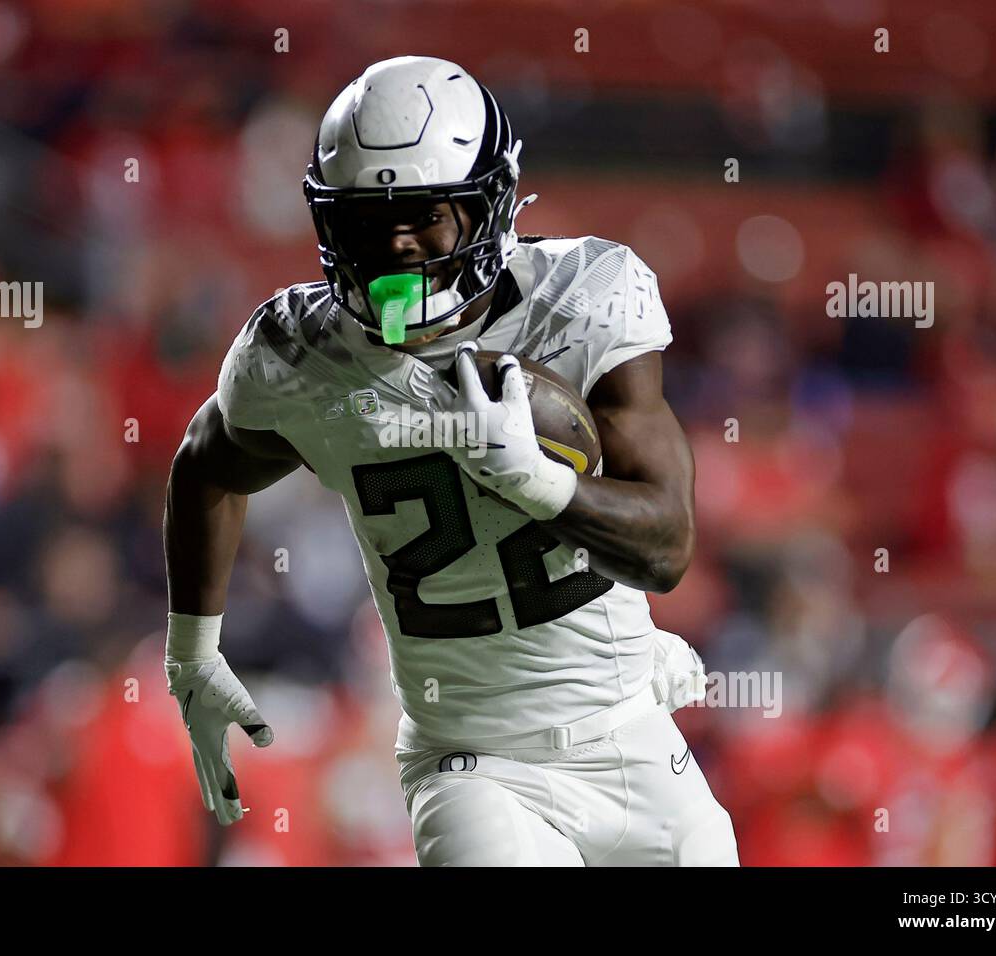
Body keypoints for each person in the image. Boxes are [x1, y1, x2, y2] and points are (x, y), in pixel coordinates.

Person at [163, 55, 738, 866]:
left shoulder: (577, 300)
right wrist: (192, 647)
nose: (397, 248)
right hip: (476, 765)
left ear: (489, 205)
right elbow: (205, 463)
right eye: (368, 220)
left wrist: (540, 483)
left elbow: (667, 545)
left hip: (630, 735)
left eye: (425, 214)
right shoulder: (301, 357)